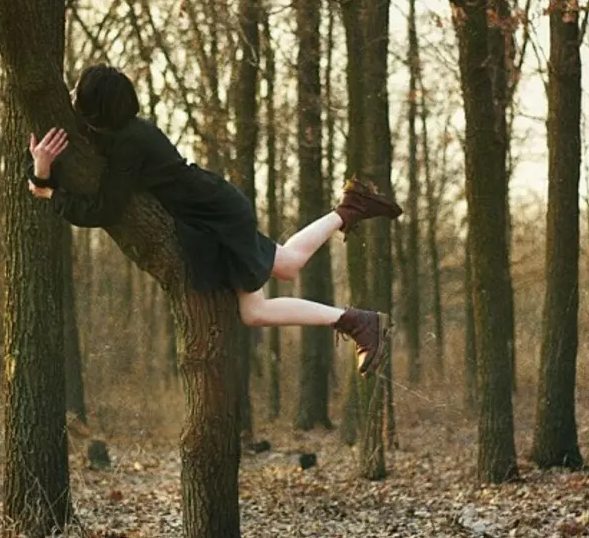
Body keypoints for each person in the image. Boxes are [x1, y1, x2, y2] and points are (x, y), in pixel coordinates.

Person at [26, 64, 403, 376]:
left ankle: (357, 321)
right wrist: (41, 171)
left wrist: (51, 196)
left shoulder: (129, 142)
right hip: (213, 209)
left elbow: (105, 209)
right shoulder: (116, 134)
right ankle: (351, 208)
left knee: (254, 312)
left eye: (79, 96)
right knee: (287, 265)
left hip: (214, 215)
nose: (72, 101)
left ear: (97, 109)